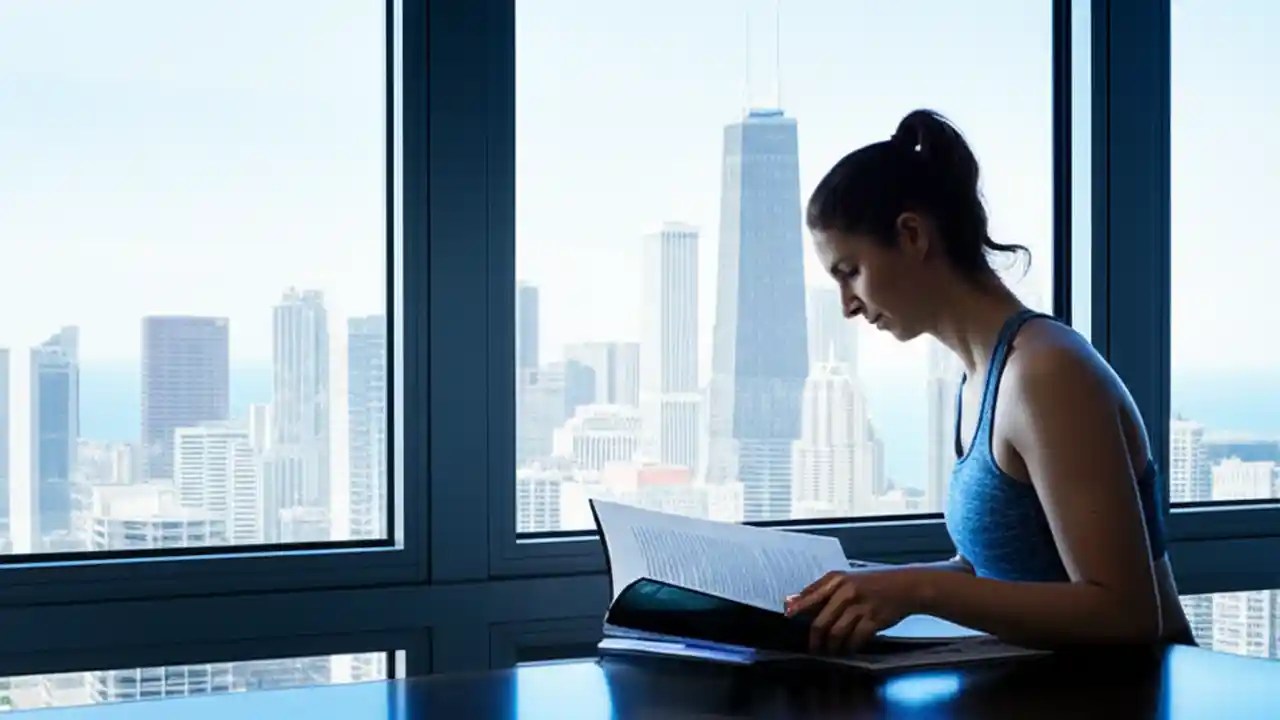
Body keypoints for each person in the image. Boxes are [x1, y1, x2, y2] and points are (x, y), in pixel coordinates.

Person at [783, 109, 1193, 652]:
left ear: (911, 235)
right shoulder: (978, 379)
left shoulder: (1045, 373)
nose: (847, 306)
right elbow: (1010, 572)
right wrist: (869, 586)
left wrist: (920, 589)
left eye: (850, 271)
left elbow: (1125, 611)